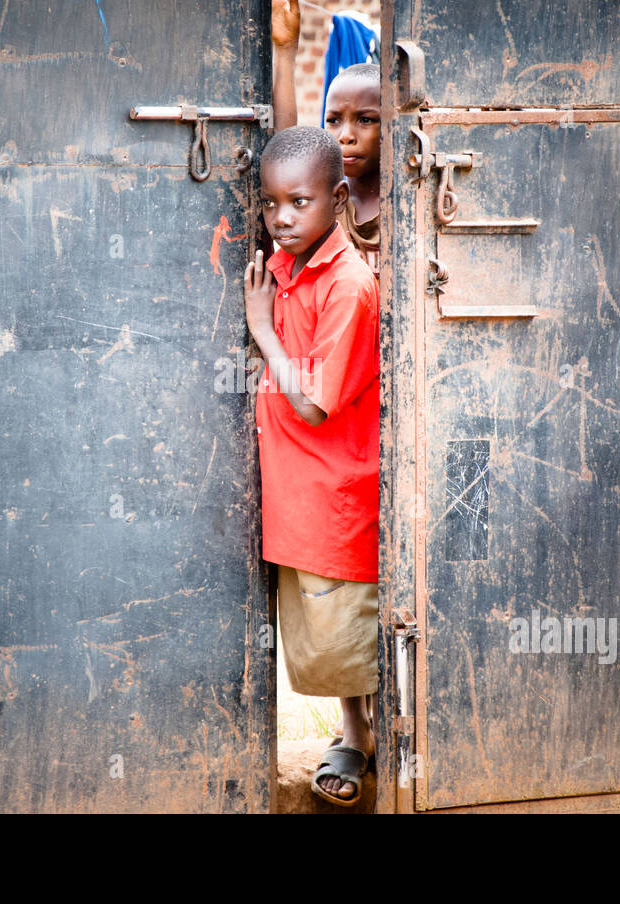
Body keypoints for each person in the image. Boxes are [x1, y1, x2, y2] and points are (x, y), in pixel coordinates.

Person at [243, 126, 380, 806]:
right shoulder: (286, 268)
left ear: (337, 198)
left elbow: (316, 404)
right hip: (295, 495)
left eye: (299, 201)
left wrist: (261, 329)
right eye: (270, 204)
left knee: (346, 631)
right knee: (320, 637)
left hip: (335, 493)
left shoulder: (349, 286)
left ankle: (362, 739)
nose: (282, 218)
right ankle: (357, 731)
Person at [271, 0, 381, 277]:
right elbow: (282, 150)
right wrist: (284, 50)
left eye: (366, 120)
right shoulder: (325, 204)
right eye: (333, 120)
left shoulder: (407, 203)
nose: (345, 135)